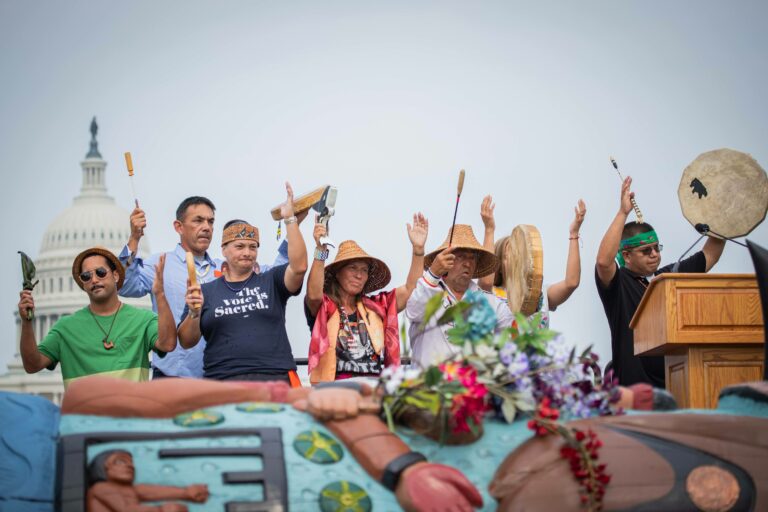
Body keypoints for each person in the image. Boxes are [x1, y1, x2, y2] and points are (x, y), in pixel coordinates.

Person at [118, 196, 291, 379]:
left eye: (211, 221)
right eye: (198, 220)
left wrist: (293, 224)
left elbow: (280, 274)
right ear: (179, 227)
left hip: (217, 379)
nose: (206, 227)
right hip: (173, 378)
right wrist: (134, 238)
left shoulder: (229, 268)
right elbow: (124, 286)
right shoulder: (161, 263)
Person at [595, 177, 725, 387]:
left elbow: (710, 254)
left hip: (675, 388)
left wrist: (724, 215)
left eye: (657, 248)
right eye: (646, 250)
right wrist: (622, 213)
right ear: (627, 256)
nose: (654, 254)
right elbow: (603, 262)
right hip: (635, 393)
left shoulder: (668, 276)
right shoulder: (619, 285)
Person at [177, 183, 307, 384]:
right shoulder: (205, 291)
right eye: (239, 246)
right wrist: (194, 314)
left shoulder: (271, 280)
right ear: (224, 250)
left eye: (252, 247)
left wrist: (290, 220)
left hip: (276, 378)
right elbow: (186, 341)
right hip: (222, 382)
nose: (247, 252)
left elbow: (298, 267)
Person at [17, 247, 177, 387]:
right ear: (82, 283)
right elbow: (32, 365)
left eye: (100, 273)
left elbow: (168, 344)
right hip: (83, 419)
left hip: (132, 418)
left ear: (115, 275)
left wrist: (160, 295)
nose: (94, 280)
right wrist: (26, 322)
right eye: (86, 276)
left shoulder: (143, 320)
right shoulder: (65, 328)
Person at [305, 213, 429, 383]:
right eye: (353, 268)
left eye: (364, 270)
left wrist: (418, 251)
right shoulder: (325, 306)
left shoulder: (377, 305)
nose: (359, 275)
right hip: (334, 390)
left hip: (373, 389)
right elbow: (313, 294)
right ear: (337, 273)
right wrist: (321, 249)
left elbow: (410, 289)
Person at [406, 223, 514, 367]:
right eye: (461, 256)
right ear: (446, 260)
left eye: (472, 258)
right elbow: (413, 311)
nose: (467, 263)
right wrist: (433, 274)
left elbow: (510, 346)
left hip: (472, 388)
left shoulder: (493, 304)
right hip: (426, 388)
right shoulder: (428, 294)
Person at [479, 198, 587, 327]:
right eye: (510, 255)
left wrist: (573, 233)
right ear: (499, 266)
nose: (516, 258)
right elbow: (485, 282)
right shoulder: (490, 294)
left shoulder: (539, 294)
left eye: (519, 253)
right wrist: (489, 230)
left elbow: (571, 282)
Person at [87, 450, 208, 512]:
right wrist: (161, 510)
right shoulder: (101, 488)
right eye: (120, 461)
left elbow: (152, 491)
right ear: (102, 466)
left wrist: (186, 492)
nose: (131, 466)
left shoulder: (130, 489)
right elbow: (126, 510)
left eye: (131, 463)